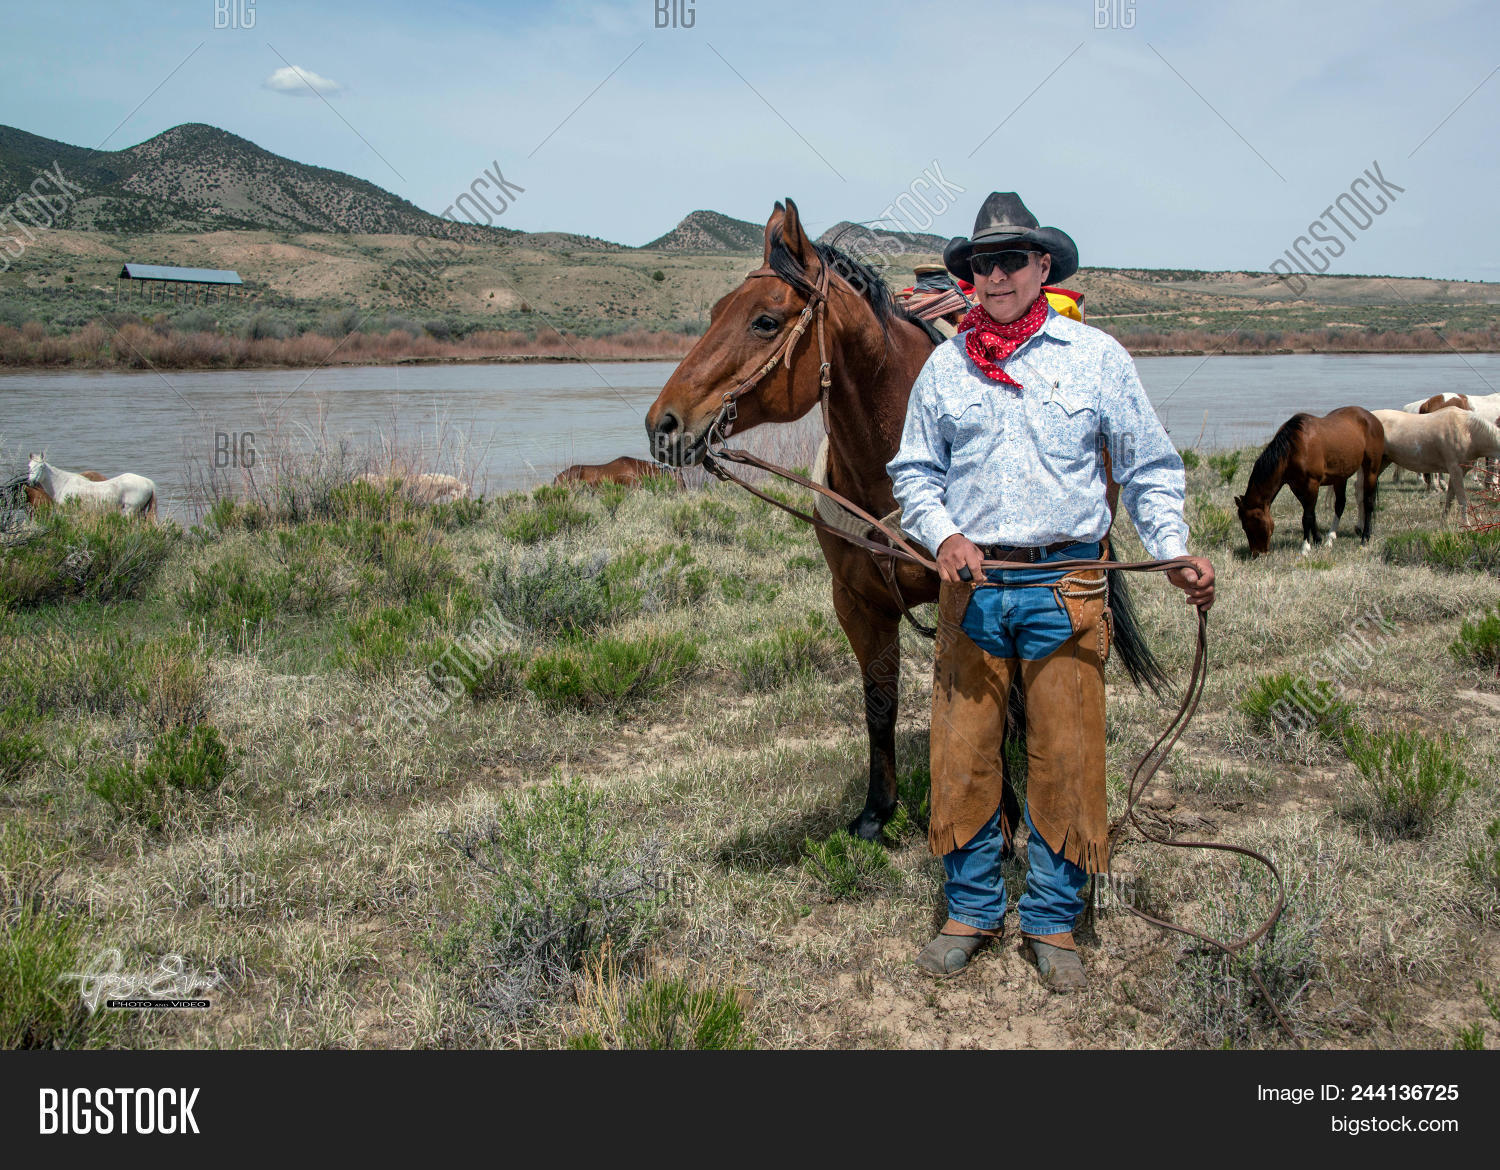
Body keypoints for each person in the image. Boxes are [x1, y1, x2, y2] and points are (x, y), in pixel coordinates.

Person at [886, 192, 1215, 989]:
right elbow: (915, 472)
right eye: (981, 264)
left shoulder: (1096, 357)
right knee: (963, 755)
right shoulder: (945, 367)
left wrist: (1171, 550)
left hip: (1068, 585)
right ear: (968, 276)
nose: (995, 276)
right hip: (973, 587)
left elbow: (1147, 465)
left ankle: (1052, 918)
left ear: (1042, 267)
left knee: (1066, 755)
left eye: (1010, 261)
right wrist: (945, 536)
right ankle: (970, 910)